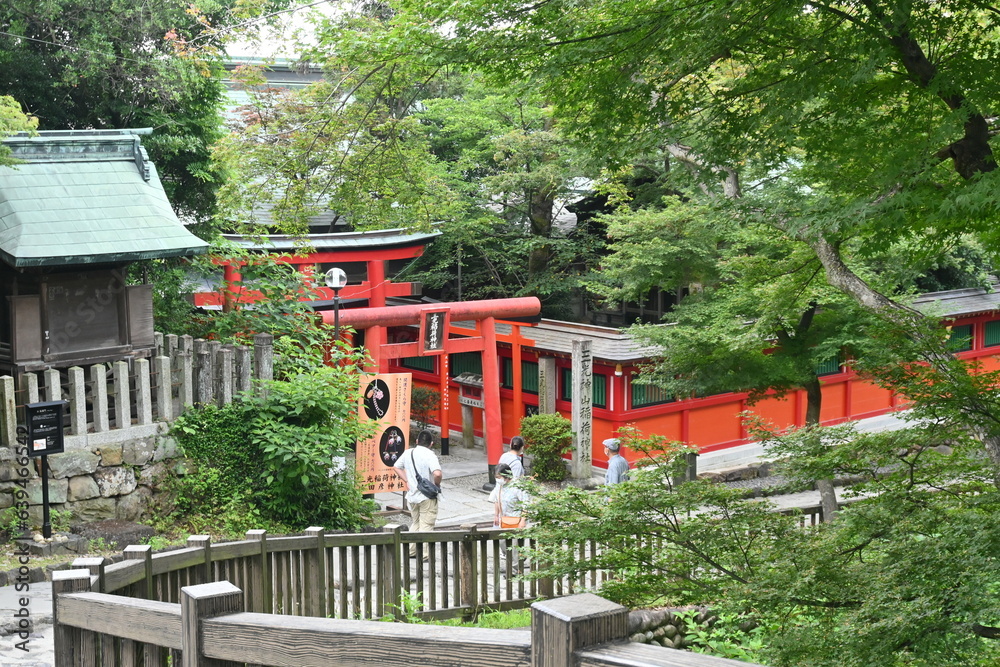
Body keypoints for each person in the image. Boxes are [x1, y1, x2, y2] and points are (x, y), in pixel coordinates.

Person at [393, 430, 443, 557]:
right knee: (426, 524)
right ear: (431, 443)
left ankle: (411, 550)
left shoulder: (408, 453)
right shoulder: (430, 455)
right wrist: (436, 484)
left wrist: (406, 480)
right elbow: (437, 473)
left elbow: (396, 466)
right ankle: (424, 554)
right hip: (427, 496)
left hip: (412, 495)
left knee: (416, 522)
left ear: (416, 442)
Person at [494, 463, 530, 529]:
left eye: (499, 477)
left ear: (506, 476)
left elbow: (526, 504)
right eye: (496, 477)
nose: (497, 479)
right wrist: (496, 515)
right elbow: (496, 500)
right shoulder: (499, 485)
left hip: (517, 520)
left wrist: (523, 520)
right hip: (503, 519)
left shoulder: (518, 486)